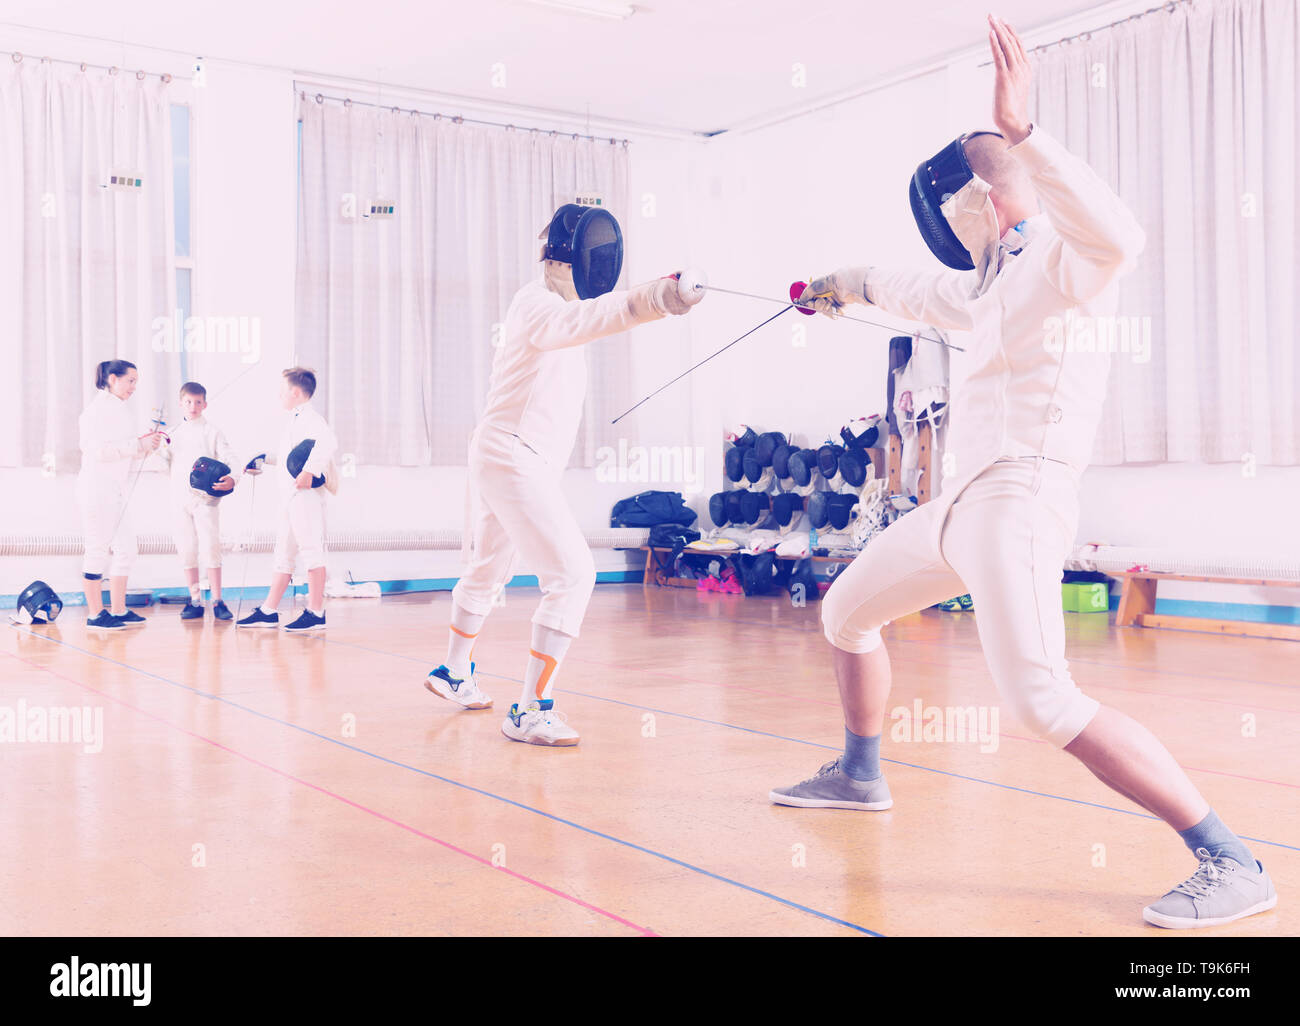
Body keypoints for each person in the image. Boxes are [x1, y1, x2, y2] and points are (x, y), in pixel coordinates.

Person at [770, 15, 1276, 930]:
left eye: (955, 214)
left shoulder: (1067, 263)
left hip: (1023, 496)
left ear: (983, 203)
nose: (945, 236)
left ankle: (1230, 858)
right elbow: (902, 284)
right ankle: (860, 772)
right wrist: (830, 285)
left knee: (1042, 699)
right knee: (844, 612)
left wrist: (1029, 135)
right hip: (961, 505)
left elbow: (1120, 237)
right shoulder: (986, 283)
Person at [426, 200, 701, 746]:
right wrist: (654, 298)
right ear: (566, 256)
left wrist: (654, 292)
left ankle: (454, 672)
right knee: (574, 576)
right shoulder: (539, 305)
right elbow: (588, 320)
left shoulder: (546, 305)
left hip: (508, 454)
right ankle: (530, 710)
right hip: (512, 456)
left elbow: (585, 321)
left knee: (488, 570)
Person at [236, 367, 338, 632]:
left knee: (312, 552)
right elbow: (289, 458)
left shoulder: (311, 419)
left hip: (306, 498)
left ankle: (316, 613)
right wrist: (264, 459)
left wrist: (309, 471)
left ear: (294, 392)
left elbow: (327, 442)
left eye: (282, 391)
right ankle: (269, 612)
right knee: (284, 554)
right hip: (291, 498)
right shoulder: (295, 419)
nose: (279, 396)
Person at [77, 360, 164, 630]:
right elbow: (97, 451)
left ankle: (118, 610)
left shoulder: (120, 411)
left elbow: (124, 450)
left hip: (115, 490)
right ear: (113, 379)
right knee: (97, 550)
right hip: (96, 489)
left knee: (127, 548)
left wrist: (145, 446)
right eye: (130, 381)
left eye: (136, 382)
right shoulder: (96, 411)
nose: (134, 387)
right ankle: (94, 615)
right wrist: (136, 444)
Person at [155, 381, 241, 620]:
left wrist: (233, 478)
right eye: (188, 402)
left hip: (205, 501)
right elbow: (162, 467)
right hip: (179, 500)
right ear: (181, 403)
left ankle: (217, 601)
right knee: (187, 550)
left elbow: (231, 458)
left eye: (198, 402)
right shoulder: (170, 435)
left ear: (205, 404)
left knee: (211, 548)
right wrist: (157, 448)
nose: (193, 407)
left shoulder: (211, 431)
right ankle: (194, 600)